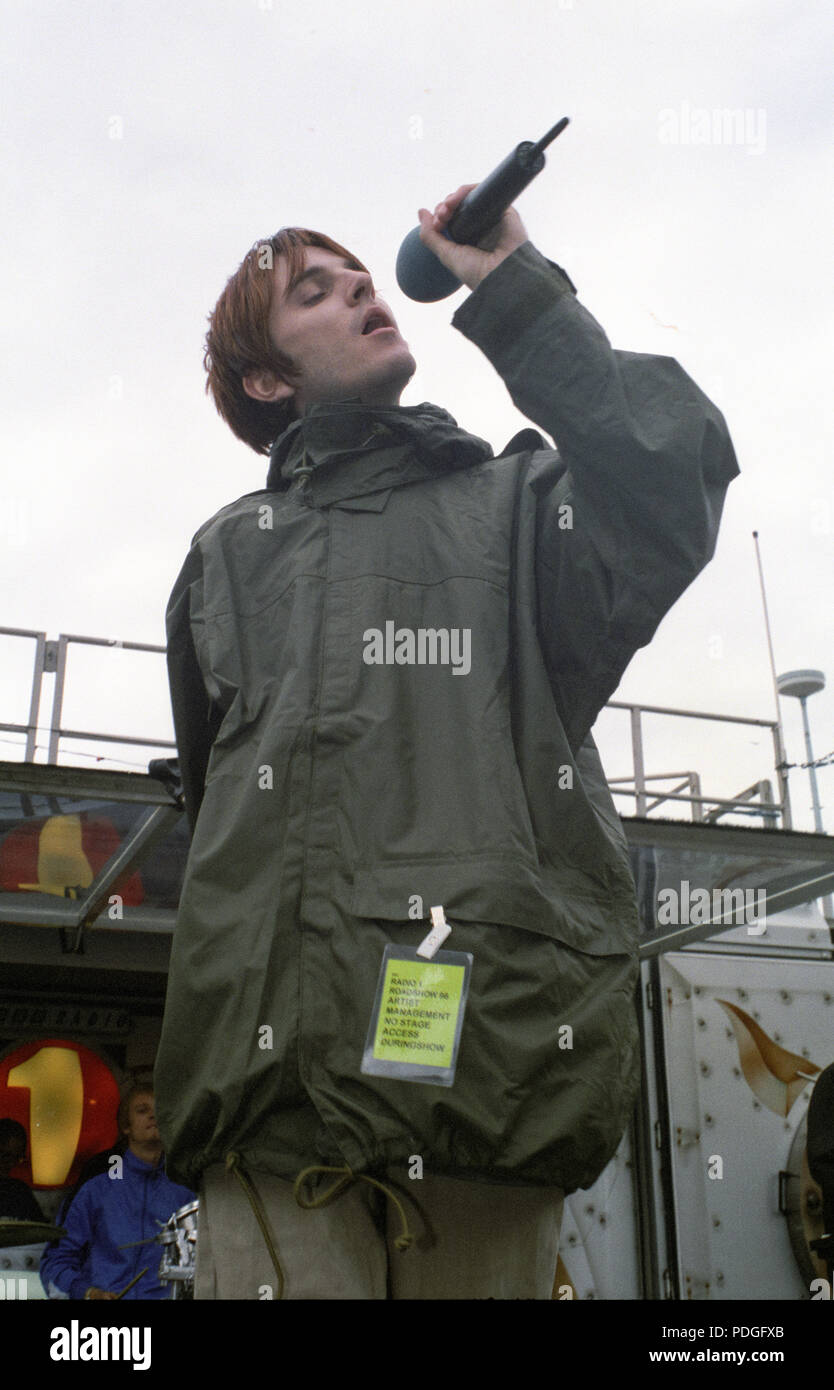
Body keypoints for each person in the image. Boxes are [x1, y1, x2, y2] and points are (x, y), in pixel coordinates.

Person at [155, 188, 739, 1299]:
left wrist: (511, 287)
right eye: (314, 292)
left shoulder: (520, 511)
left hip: (482, 1101)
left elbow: (671, 474)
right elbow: (211, 804)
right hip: (264, 1128)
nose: (359, 289)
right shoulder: (225, 556)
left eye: (359, 277)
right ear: (267, 380)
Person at [40, 1085, 194, 1300]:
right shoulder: (96, 1190)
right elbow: (56, 1261)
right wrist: (88, 1293)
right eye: (142, 1110)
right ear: (125, 1126)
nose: (153, 1115)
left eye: (159, 1110)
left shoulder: (187, 1191)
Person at [0, 1118, 45, 1223]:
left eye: (17, 1158)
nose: (11, 1164)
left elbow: (40, 1228)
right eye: (6, 1156)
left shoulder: (20, 1191)